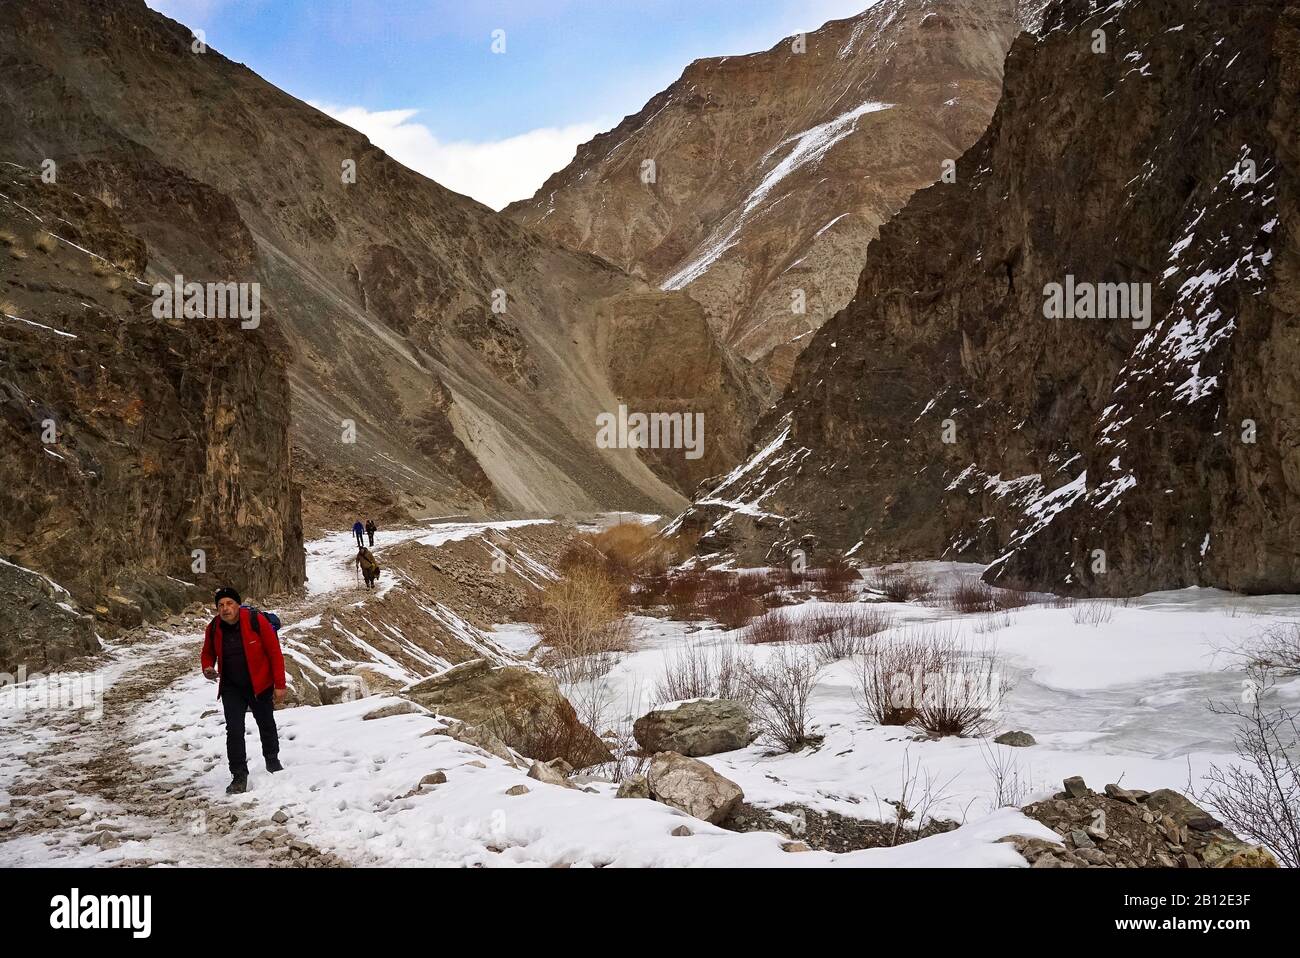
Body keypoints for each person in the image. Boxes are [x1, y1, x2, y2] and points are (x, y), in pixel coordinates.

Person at [200, 587, 287, 794]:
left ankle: (272, 760)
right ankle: (239, 775)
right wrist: (207, 668)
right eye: (220, 605)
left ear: (238, 605)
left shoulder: (256, 621)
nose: (225, 608)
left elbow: (274, 653)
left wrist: (280, 685)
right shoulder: (214, 627)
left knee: (266, 723)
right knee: (234, 730)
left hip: (259, 683)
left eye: (229, 603)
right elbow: (207, 653)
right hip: (231, 686)